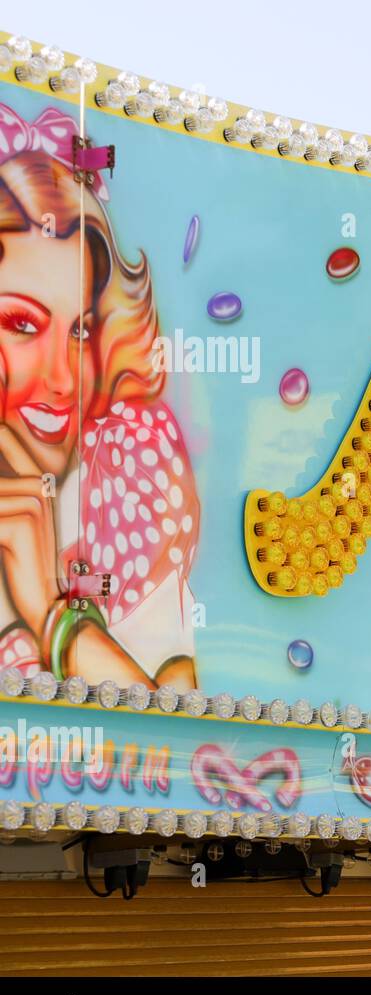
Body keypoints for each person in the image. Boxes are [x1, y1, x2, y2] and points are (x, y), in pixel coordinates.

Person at [0, 102, 198, 688]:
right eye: (23, 324)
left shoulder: (121, 483)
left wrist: (49, 612)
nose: (64, 381)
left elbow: (177, 743)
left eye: (80, 331)